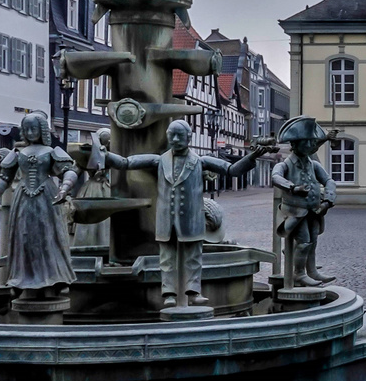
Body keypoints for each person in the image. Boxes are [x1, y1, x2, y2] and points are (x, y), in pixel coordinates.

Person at [98, 119, 263, 308]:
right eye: (172, 135)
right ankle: (169, 293)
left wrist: (251, 158)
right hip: (166, 219)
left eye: (180, 136)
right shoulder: (159, 160)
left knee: (193, 257)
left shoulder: (201, 161)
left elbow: (231, 170)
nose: (175, 139)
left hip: (191, 219)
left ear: (189, 138)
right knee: (167, 259)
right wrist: (105, 154)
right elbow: (126, 163)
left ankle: (193, 292)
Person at [0, 113, 80, 296]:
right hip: (23, 198)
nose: (30, 132)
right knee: (24, 236)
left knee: (48, 236)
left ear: (42, 130)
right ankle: (22, 278)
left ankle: (54, 279)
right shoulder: (18, 153)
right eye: (26, 129)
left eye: (34, 128)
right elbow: (4, 178)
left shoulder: (51, 152)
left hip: (47, 197)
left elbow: (69, 171)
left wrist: (64, 189)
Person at [270, 116, 337, 285]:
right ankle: (299, 273)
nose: (310, 146)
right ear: (294, 144)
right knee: (304, 241)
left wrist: (327, 201)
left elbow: (329, 181)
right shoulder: (286, 164)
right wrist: (292, 187)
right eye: (306, 142)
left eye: (311, 142)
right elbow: (276, 177)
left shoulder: (313, 164)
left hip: (314, 210)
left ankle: (312, 271)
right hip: (295, 211)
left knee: (313, 241)